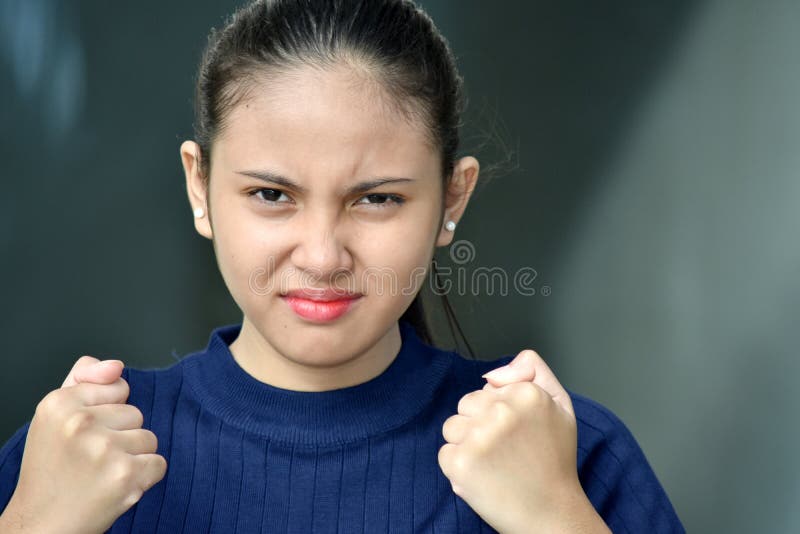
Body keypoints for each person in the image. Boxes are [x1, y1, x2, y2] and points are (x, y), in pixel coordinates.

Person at [0, 0, 685, 532]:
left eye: (377, 199)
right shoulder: (74, 454)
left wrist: (556, 518)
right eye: (272, 195)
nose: (323, 255)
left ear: (454, 198)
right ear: (197, 187)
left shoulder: (566, 455)